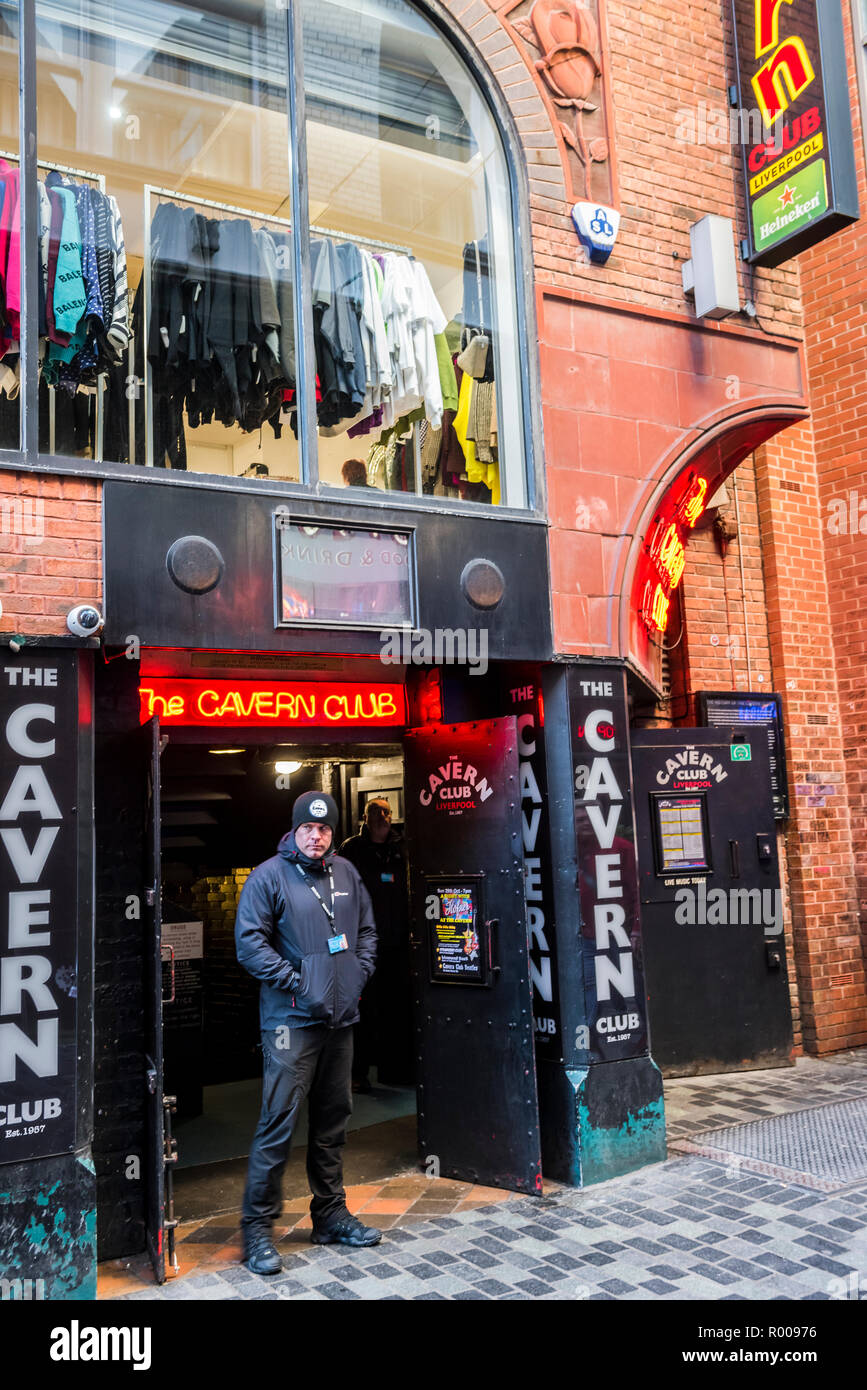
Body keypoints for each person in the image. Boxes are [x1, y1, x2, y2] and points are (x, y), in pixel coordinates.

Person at [234, 790, 380, 1275]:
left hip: (340, 1021)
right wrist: (300, 983)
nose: (315, 837)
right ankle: (257, 1231)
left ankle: (330, 1215)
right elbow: (249, 945)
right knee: (278, 1124)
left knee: (333, 1120)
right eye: (307, 829)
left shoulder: (347, 873)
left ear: (333, 833)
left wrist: (357, 974)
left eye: (323, 830)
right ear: (294, 830)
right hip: (290, 1022)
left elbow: (366, 934)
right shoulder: (269, 876)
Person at [338, 798, 414, 1091]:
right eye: (376, 812)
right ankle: (357, 1074)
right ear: (365, 817)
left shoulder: (401, 848)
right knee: (364, 1010)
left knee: (397, 1008)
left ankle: (395, 1071)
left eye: (386, 812)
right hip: (362, 944)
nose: (382, 817)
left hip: (396, 942)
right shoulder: (351, 850)